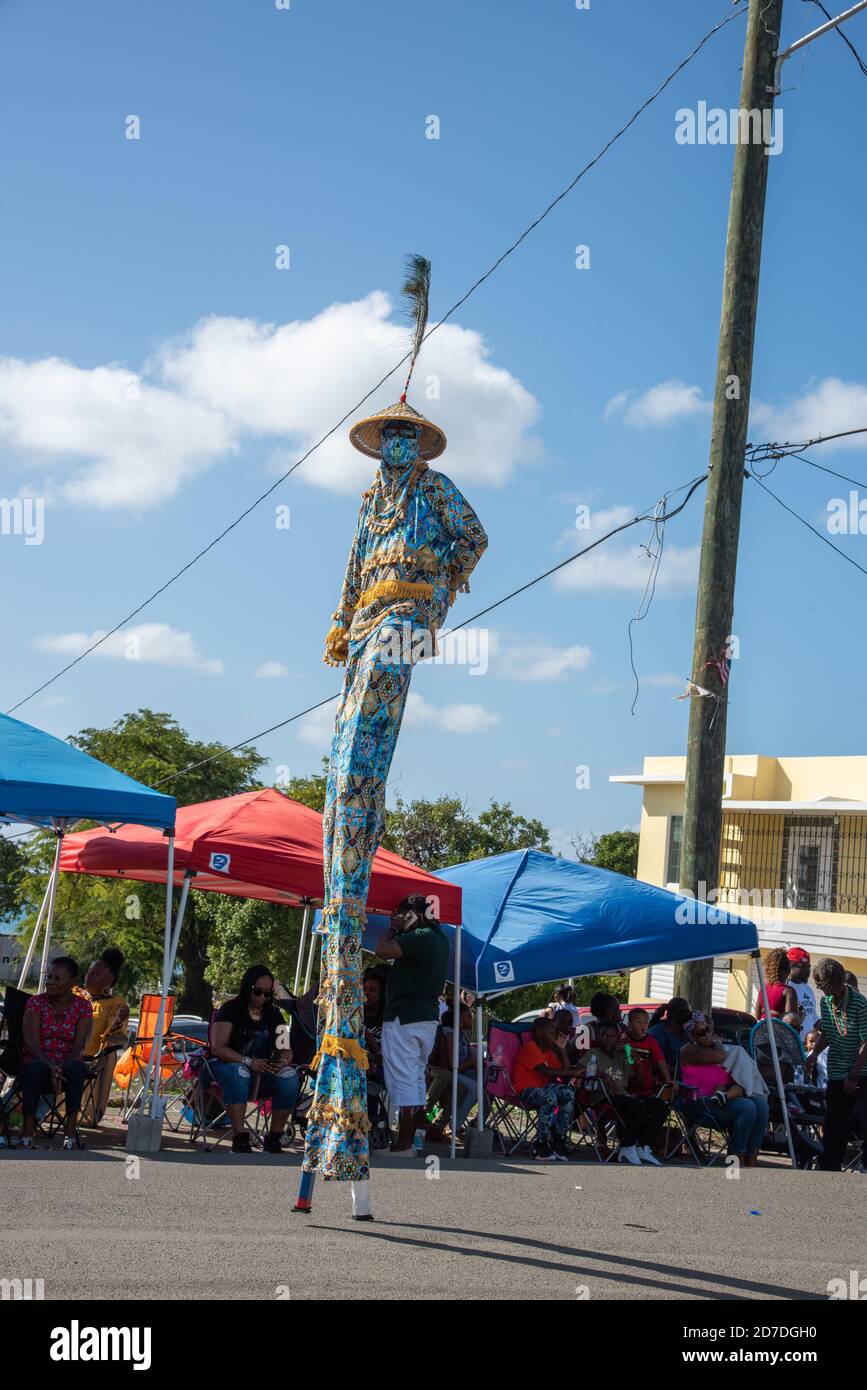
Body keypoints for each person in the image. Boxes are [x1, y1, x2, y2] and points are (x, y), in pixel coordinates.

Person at [375, 894, 450, 1155]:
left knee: (405, 1080)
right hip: (424, 1019)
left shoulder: (421, 937)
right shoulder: (439, 938)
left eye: (401, 913)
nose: (395, 917)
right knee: (416, 1079)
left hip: (405, 1018)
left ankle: (403, 1144)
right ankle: (411, 1141)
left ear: (413, 915)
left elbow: (382, 950)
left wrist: (394, 928)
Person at [209, 964, 299, 1154]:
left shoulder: (274, 1014)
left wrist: (282, 1061)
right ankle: (240, 1137)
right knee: (239, 1072)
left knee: (289, 1076)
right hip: (225, 1068)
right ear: (247, 987)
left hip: (261, 1073)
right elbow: (218, 1048)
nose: (262, 997)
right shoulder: (230, 1009)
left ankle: (274, 1137)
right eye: (258, 992)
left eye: (267, 993)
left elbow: (286, 1049)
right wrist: (248, 1061)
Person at [19, 957, 93, 1150]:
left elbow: (79, 1045)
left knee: (76, 1069)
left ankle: (69, 1135)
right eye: (49, 977)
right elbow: (31, 1042)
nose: (51, 982)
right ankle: (27, 1134)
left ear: (72, 982)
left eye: (58, 978)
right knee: (35, 1068)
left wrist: (59, 1067)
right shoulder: (36, 1003)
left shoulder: (83, 1006)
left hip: (67, 1059)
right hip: (39, 1057)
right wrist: (50, 1065)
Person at [679, 1013, 769, 1166]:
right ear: (691, 1036)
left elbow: (729, 1081)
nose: (707, 1034)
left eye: (708, 1030)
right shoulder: (689, 1051)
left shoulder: (715, 1051)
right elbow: (720, 1055)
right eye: (701, 1033)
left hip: (718, 1098)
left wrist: (727, 1093)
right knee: (747, 1107)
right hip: (698, 1102)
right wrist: (717, 1041)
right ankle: (736, 1155)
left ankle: (751, 1154)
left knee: (760, 1103)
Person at [811, 957, 867, 1171]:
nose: (819, 989)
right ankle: (829, 1168)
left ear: (835, 981)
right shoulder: (825, 1002)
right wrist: (814, 1054)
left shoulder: (860, 1004)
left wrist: (853, 1076)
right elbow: (827, 1032)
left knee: (863, 1120)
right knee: (834, 1125)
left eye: (821, 985)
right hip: (836, 1070)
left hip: (861, 1072)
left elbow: (865, 1042)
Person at [584, 1021, 663, 1165]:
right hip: (604, 1097)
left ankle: (643, 1147)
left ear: (617, 1039)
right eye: (604, 1036)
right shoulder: (592, 1053)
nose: (608, 1039)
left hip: (624, 1096)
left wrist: (637, 1063)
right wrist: (605, 1077)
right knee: (636, 1106)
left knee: (660, 1105)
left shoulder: (621, 1057)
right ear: (598, 1037)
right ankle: (627, 1146)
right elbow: (582, 1070)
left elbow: (637, 1083)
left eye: (612, 1036)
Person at [513, 1016, 584, 1162]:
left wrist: (562, 1050)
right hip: (524, 1089)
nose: (555, 1035)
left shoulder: (549, 1052)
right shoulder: (531, 1047)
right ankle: (540, 1143)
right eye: (551, 1032)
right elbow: (545, 1071)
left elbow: (563, 1073)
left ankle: (558, 1138)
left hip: (543, 1088)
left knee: (567, 1092)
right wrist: (573, 1072)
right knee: (549, 1097)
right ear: (539, 1033)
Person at [74, 947, 131, 1125]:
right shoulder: (73, 994)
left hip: (92, 1058)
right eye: (89, 971)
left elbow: (115, 1037)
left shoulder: (116, 1004)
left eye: (96, 973)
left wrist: (116, 1022)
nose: (89, 976)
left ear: (109, 979)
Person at [427, 1003, 478, 1140]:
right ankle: (426, 1117)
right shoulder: (449, 1033)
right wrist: (473, 1060)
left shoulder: (462, 1036)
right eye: (468, 1016)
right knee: (473, 1088)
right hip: (442, 1070)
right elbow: (451, 1065)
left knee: (465, 1090)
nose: (471, 1020)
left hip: (457, 1072)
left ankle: (440, 1126)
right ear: (459, 1018)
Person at [648, 997, 692, 1076]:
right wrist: (683, 1072)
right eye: (685, 1016)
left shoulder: (685, 1032)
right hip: (664, 1082)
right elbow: (655, 1063)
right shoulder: (657, 1033)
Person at [756, 947, 799, 1026]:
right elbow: (790, 1022)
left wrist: (767, 1011)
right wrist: (800, 1018)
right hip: (778, 1035)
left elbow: (758, 1016)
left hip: (761, 1033)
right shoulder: (789, 991)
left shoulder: (763, 989)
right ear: (788, 971)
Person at [786, 948, 818, 1040]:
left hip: (807, 1046)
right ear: (791, 966)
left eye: (808, 966)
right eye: (802, 967)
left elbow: (813, 1017)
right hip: (792, 1043)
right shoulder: (785, 989)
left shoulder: (808, 989)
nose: (807, 971)